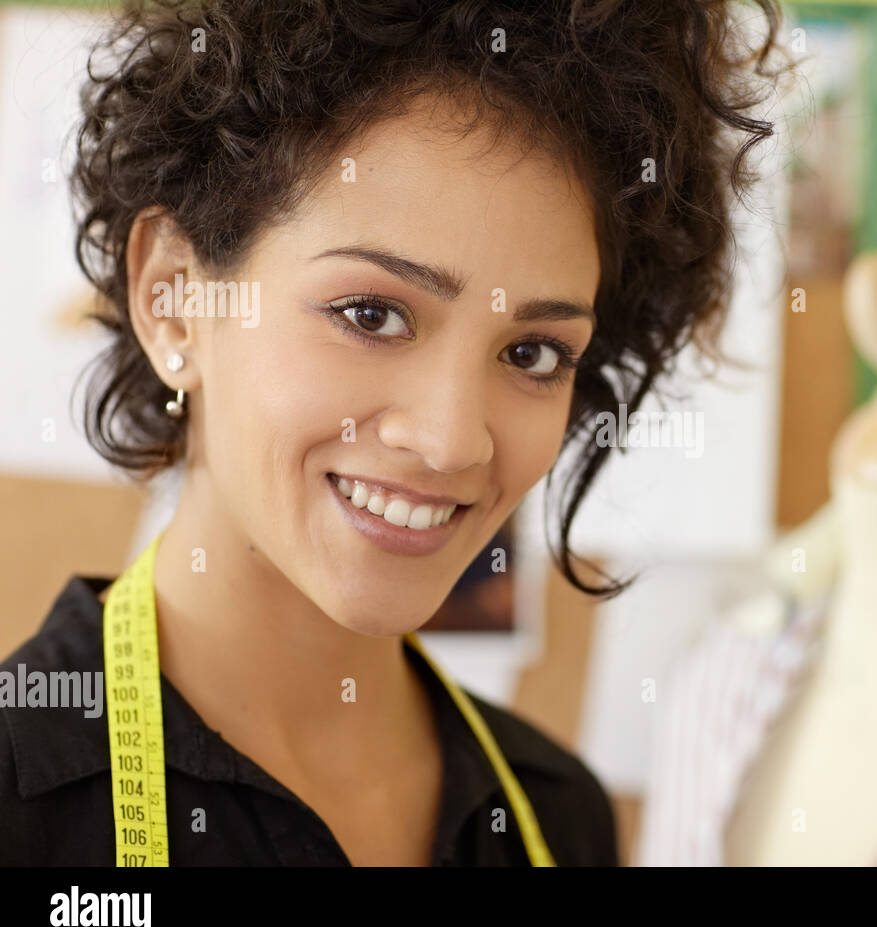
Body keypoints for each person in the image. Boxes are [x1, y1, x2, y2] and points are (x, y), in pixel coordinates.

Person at [0, 0, 787, 866]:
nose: (452, 441)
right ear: (176, 297)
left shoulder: (556, 820)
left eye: (531, 352)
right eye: (371, 314)